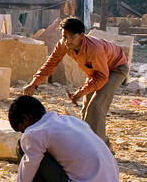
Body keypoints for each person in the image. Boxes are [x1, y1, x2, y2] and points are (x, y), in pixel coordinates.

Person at [7, 94, 119, 182]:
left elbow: (27, 172)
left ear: (26, 118)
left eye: (23, 129)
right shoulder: (72, 121)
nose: (25, 132)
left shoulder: (35, 133)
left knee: (23, 148)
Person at [22, 16, 128, 146]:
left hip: (115, 69)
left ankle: (101, 147)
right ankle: (86, 142)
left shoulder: (94, 50)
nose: (67, 41)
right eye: (64, 36)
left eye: (71, 37)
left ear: (81, 36)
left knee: (96, 106)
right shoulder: (63, 44)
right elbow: (50, 64)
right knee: (86, 108)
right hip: (95, 71)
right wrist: (35, 83)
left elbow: (102, 77)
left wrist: (81, 91)